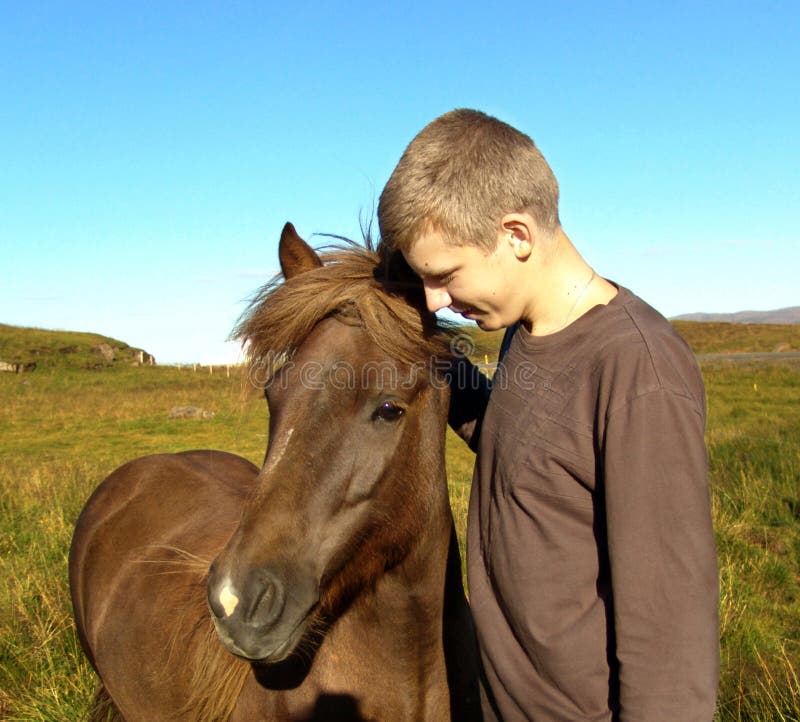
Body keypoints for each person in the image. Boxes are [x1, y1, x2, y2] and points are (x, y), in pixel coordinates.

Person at [377, 109, 719, 721]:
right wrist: (426, 343)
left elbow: (671, 647)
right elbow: (524, 445)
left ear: (517, 236)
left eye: (444, 276)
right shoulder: (527, 330)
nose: (438, 299)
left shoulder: (638, 374)